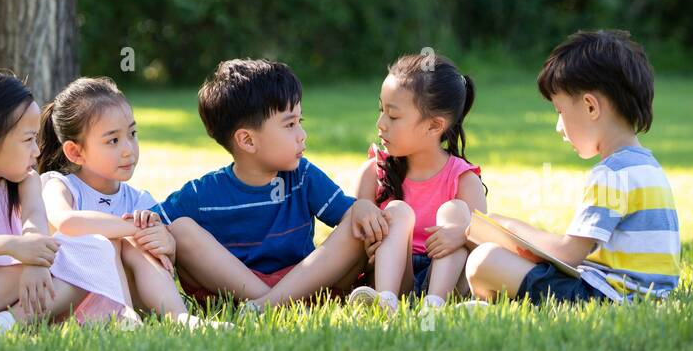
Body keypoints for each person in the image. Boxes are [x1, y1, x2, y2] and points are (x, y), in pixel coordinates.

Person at [0, 70, 138, 341]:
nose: (38, 151)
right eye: (28, 139)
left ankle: (4, 326)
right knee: (18, 270)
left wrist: (36, 264)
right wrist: (16, 249)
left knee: (93, 252)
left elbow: (36, 229)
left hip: (17, 292)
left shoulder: (26, 181)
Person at [466, 30, 680, 306]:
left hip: (604, 297)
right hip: (640, 295)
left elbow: (569, 253)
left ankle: (487, 305)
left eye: (559, 111)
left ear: (591, 107)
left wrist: (507, 226)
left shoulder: (611, 174)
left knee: (484, 260)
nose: (558, 127)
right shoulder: (648, 167)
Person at [157, 58, 386, 310]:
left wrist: (362, 206)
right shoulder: (202, 194)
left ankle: (268, 303)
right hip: (238, 290)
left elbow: (347, 218)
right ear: (247, 141)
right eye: (290, 124)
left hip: (305, 282)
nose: (302, 135)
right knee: (180, 229)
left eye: (301, 121)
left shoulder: (303, 175)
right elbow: (150, 221)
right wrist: (162, 236)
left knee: (357, 221)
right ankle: (272, 302)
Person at [38, 76, 216, 328]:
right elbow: (67, 222)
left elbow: (164, 262)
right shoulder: (59, 185)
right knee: (114, 239)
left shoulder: (139, 200)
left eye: (132, 133)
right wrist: (130, 229)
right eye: (113, 140)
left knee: (135, 241)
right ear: (76, 152)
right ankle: (123, 316)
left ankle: (178, 317)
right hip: (73, 295)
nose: (128, 149)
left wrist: (166, 243)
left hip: (135, 297)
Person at [349, 50, 488, 313]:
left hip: (448, 276)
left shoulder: (463, 178)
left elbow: (487, 243)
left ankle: (434, 306)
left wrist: (463, 235)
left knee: (457, 213)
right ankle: (386, 301)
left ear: (435, 126)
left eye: (393, 116)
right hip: (396, 277)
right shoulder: (373, 171)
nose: (381, 124)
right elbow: (356, 242)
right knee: (398, 210)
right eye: (381, 110)